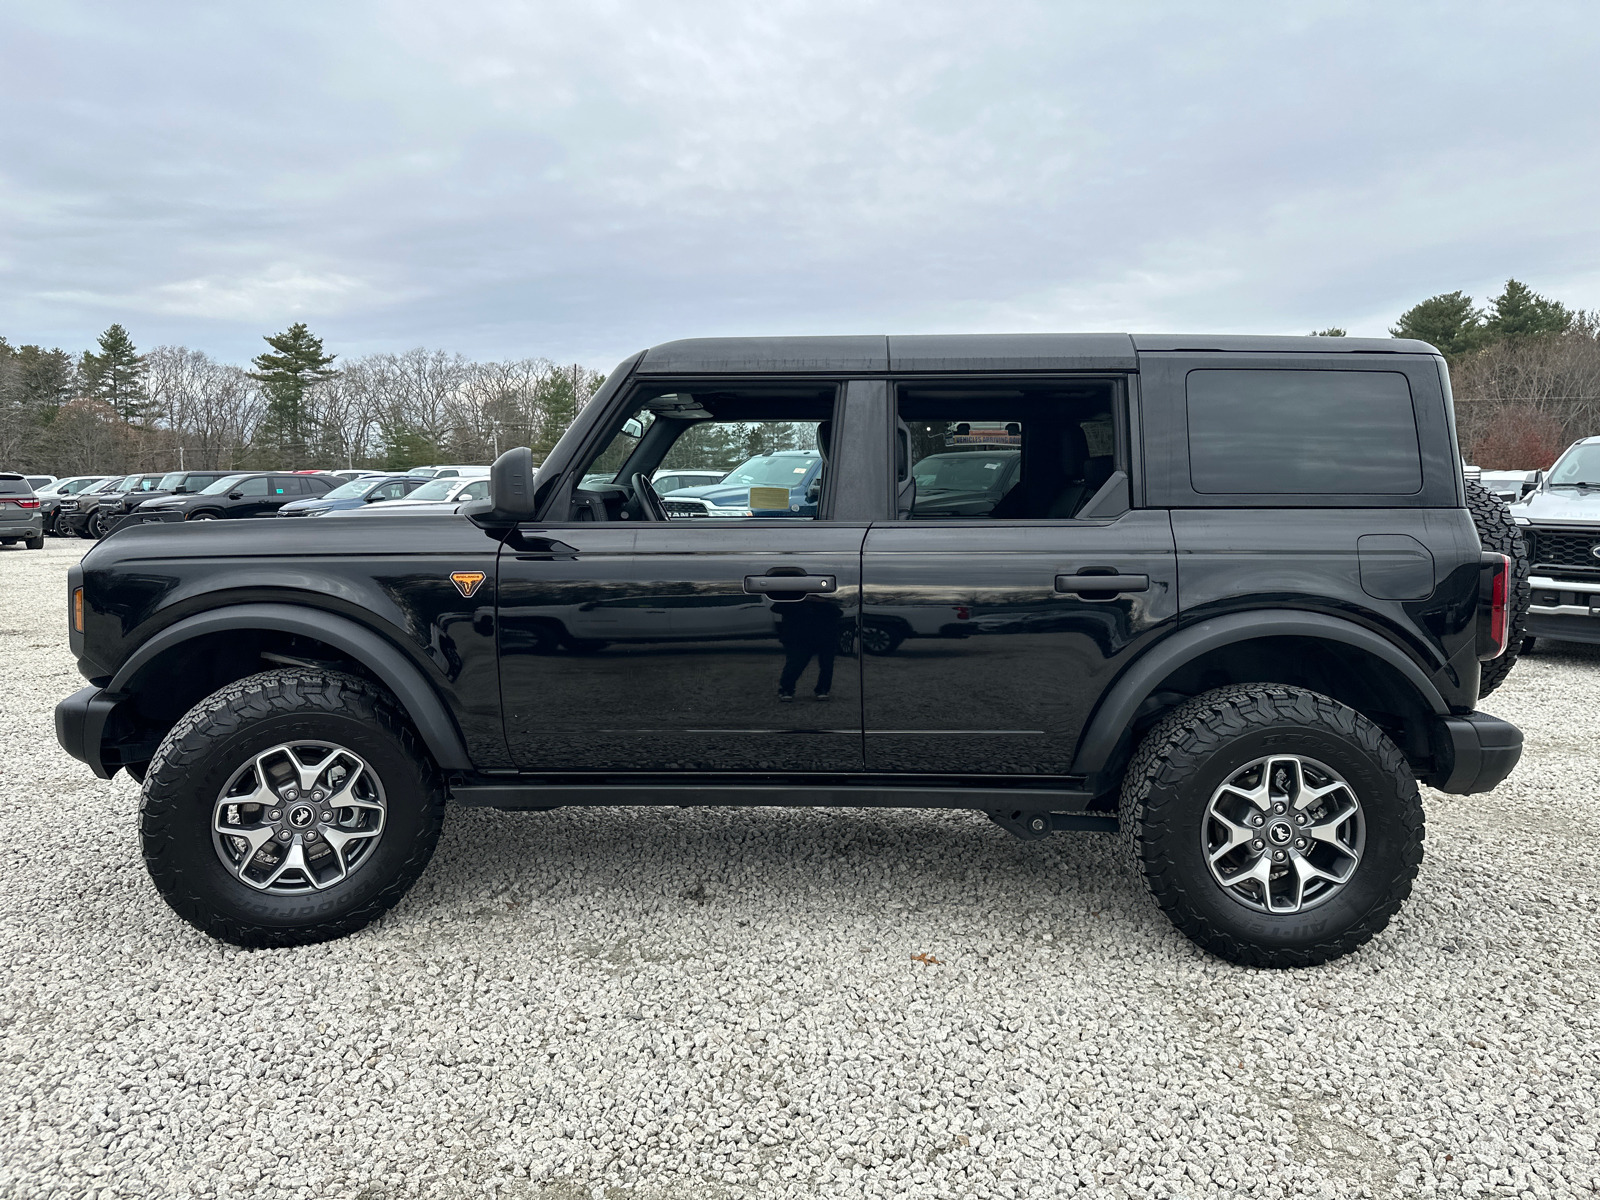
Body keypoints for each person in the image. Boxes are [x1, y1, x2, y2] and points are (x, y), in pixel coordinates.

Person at [775, 593, 840, 701]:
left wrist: (822, 602)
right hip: (800, 636)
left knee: (826, 665)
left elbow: (838, 612)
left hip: (825, 635)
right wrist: (799, 599)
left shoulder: (826, 599)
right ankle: (786, 689)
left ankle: (823, 689)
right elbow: (777, 608)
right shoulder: (795, 599)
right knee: (795, 663)